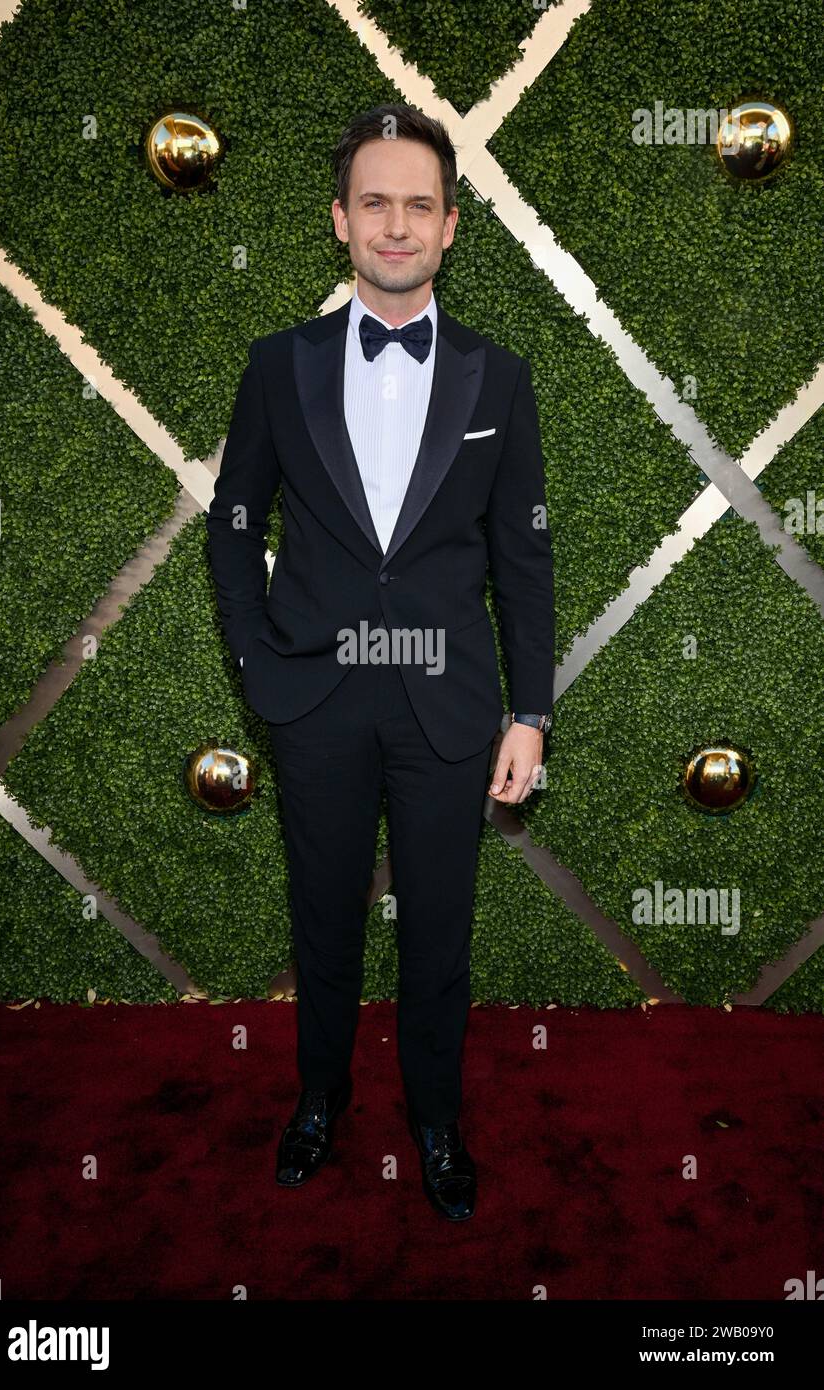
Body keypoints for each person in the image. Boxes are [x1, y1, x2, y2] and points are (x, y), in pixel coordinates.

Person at [206, 102, 555, 1221]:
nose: (395, 225)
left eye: (418, 205)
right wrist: (257, 664)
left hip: (446, 706)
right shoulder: (277, 363)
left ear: (450, 225)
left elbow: (522, 556)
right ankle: (318, 1100)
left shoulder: (500, 378)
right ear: (340, 220)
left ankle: (437, 1120)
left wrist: (530, 711)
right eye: (374, 203)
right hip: (314, 696)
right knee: (322, 918)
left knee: (440, 929)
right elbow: (231, 522)